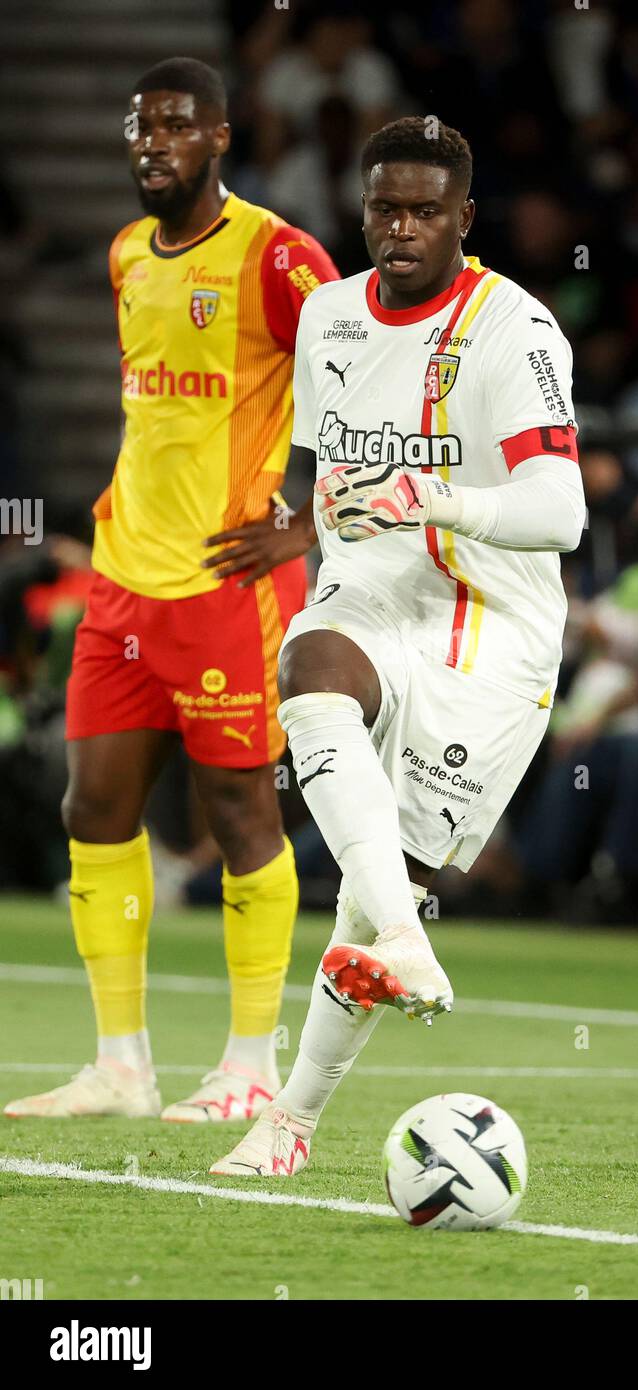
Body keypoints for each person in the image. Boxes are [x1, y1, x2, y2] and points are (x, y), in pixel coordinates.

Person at [210, 115, 586, 1178]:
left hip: (494, 627)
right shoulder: (327, 316)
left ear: (463, 219)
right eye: (384, 207)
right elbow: (326, 467)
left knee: (384, 883)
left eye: (426, 210)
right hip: (374, 593)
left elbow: (558, 508)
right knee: (310, 671)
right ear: (362, 210)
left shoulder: (515, 329)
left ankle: (290, 1117)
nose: (402, 227)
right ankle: (403, 943)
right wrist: (308, 520)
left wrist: (436, 496)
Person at [4, 58, 339, 1124]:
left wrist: (302, 524)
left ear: (221, 138)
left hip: (223, 581)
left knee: (240, 808)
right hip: (120, 578)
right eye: (140, 126)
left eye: (176, 126)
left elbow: (363, 388)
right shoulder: (124, 256)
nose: (152, 142)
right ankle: (122, 1064)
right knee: (92, 804)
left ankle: (248, 1063)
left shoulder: (281, 258)